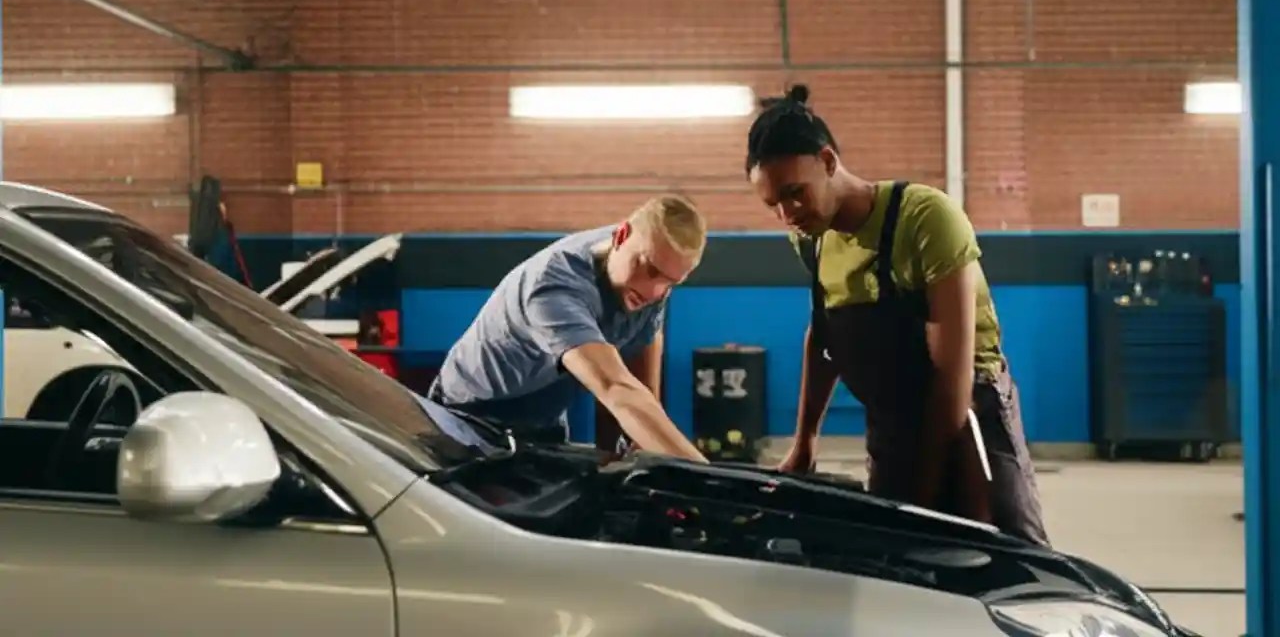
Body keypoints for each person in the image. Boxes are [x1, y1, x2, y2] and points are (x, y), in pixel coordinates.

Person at [743, 84, 1050, 546]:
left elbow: (953, 379)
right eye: (774, 205)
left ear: (828, 162)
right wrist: (805, 441)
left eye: (795, 194)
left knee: (1008, 555)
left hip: (971, 414)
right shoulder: (813, 237)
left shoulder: (925, 218)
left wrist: (920, 497)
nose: (788, 214)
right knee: (894, 564)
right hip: (890, 423)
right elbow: (825, 337)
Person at [425, 194, 709, 463]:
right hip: (470, 418)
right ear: (621, 236)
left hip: (544, 417)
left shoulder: (647, 264)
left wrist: (636, 437)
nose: (654, 291)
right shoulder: (554, 287)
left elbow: (646, 339)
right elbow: (615, 387)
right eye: (649, 270)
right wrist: (710, 480)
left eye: (671, 283)